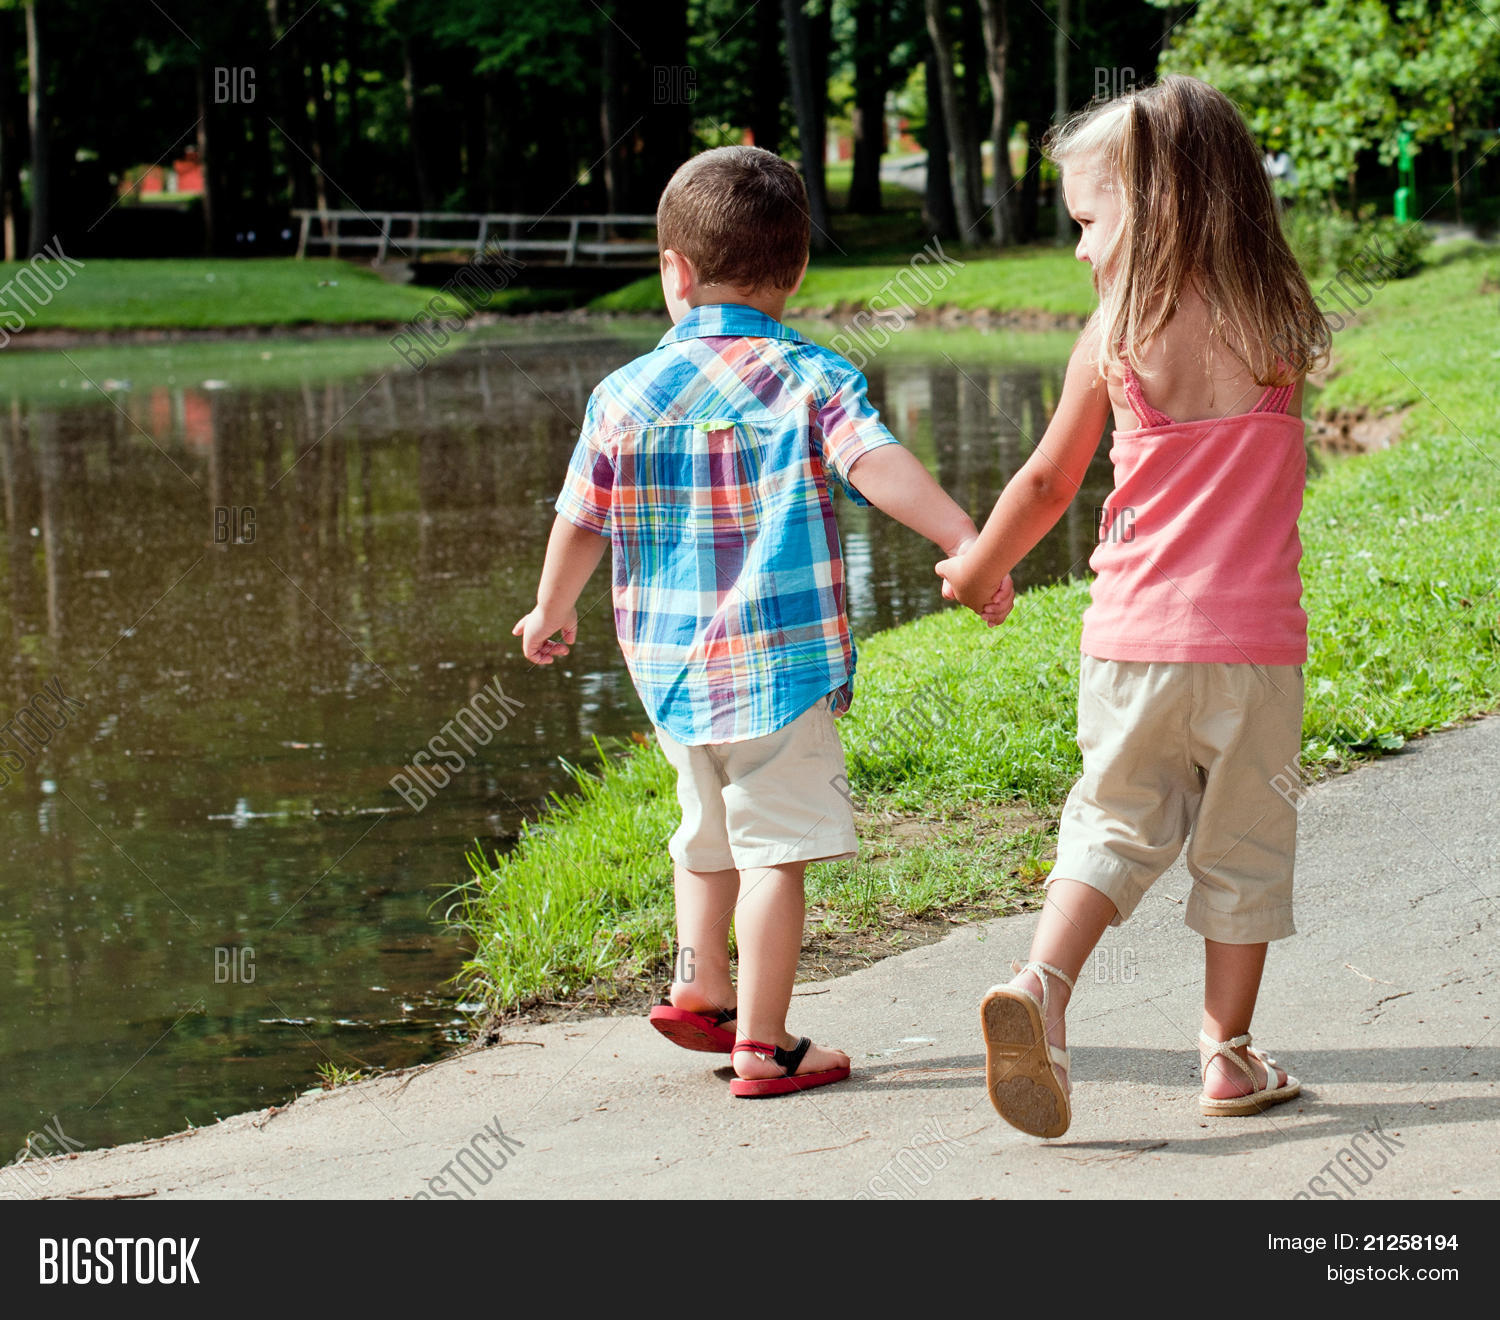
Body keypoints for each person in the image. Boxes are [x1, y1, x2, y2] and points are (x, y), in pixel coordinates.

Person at [514, 144, 1010, 1099]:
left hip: (668, 670)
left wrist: (550, 607)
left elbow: (582, 517)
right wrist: (966, 540)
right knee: (777, 847)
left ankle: (702, 983)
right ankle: (766, 1042)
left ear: (675, 272)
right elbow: (877, 465)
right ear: (796, 273)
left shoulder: (622, 394)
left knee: (705, 831)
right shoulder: (811, 377)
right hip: (777, 666)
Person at [937, 74, 1331, 1138]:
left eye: (1087, 220)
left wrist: (976, 570)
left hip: (1131, 644)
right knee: (1244, 846)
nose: (1077, 249)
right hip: (1254, 651)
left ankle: (1043, 988)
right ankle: (1228, 1059)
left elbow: (1048, 485)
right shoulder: (1281, 319)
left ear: (1151, 209)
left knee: (1113, 823)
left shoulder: (1114, 331)